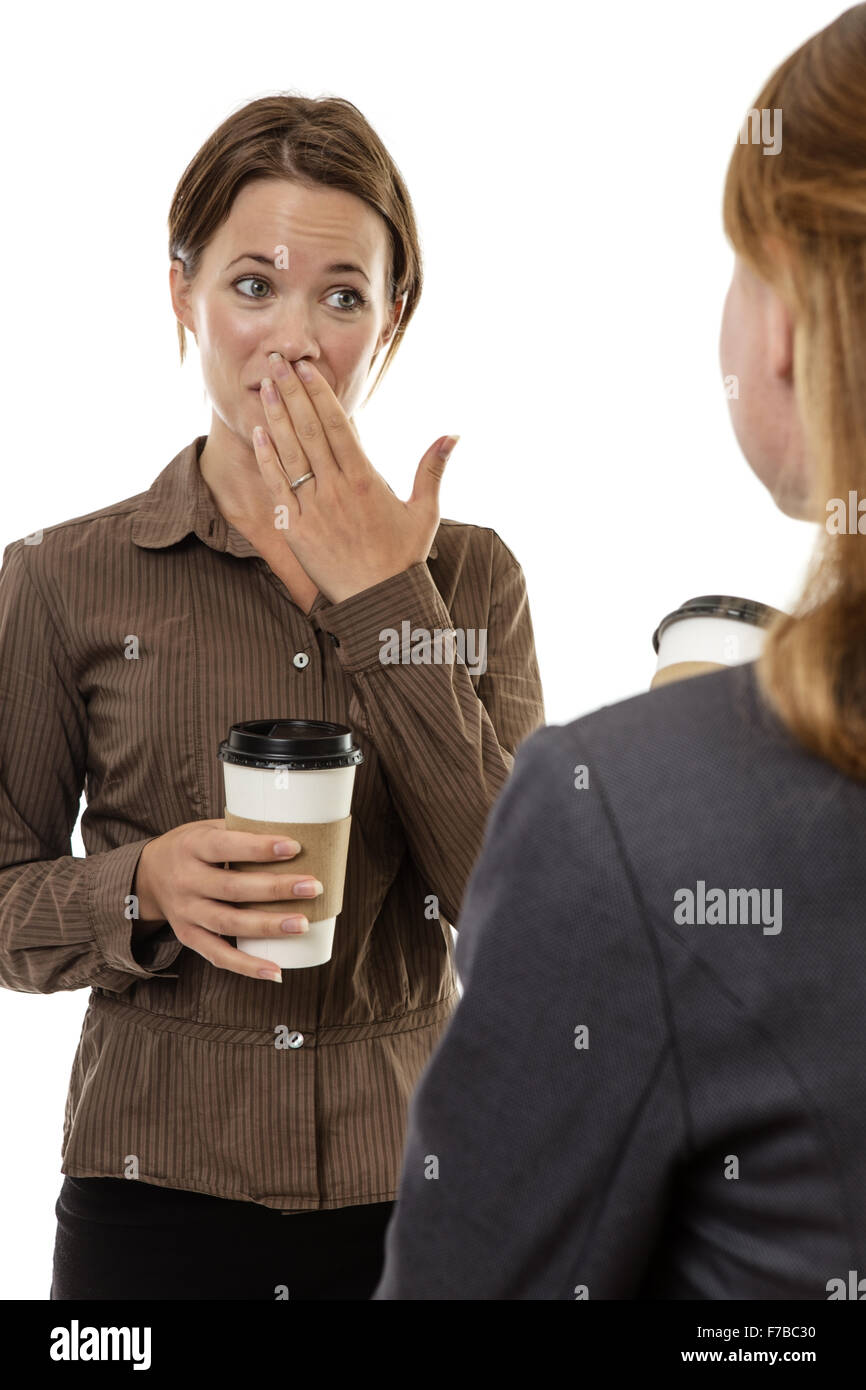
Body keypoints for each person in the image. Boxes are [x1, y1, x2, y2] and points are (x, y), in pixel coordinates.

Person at [0, 93, 545, 1300]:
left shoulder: (473, 576)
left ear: (391, 319)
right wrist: (136, 886)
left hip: (418, 1191)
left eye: (341, 295)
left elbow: (519, 909)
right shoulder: (59, 577)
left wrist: (384, 597)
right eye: (254, 284)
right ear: (181, 293)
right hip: (152, 1204)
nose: (294, 340)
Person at [372, 4, 866, 1300]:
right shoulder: (63, 573)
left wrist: (677, 803)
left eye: (738, 254)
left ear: (790, 324)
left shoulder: (633, 806)